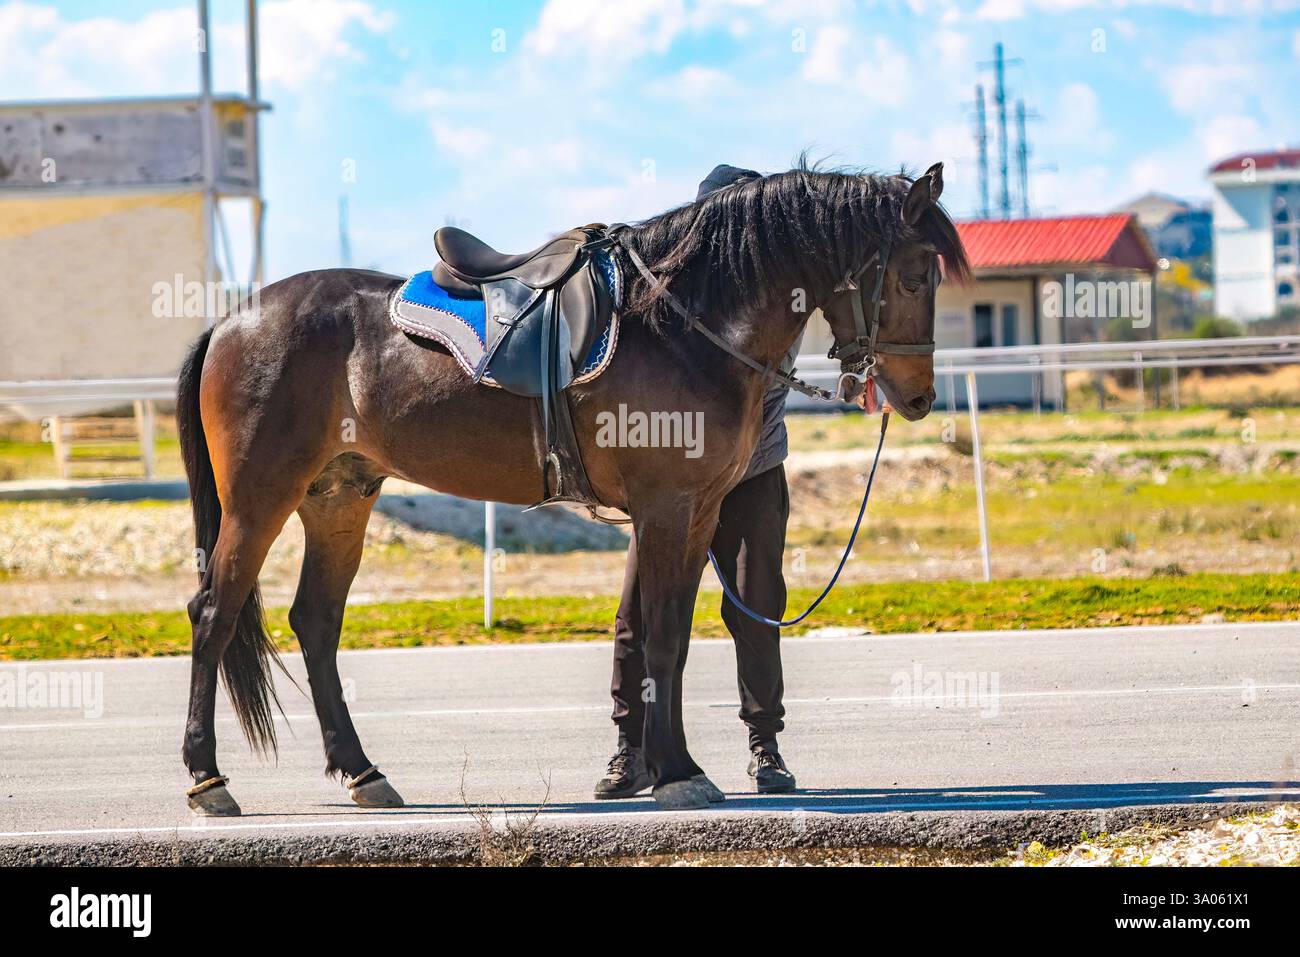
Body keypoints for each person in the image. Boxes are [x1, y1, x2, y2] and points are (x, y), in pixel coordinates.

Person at [595, 164, 801, 798]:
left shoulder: (773, 305)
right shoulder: (677, 305)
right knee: (639, 611)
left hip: (753, 470)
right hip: (675, 481)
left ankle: (764, 744)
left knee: (756, 609)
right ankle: (631, 748)